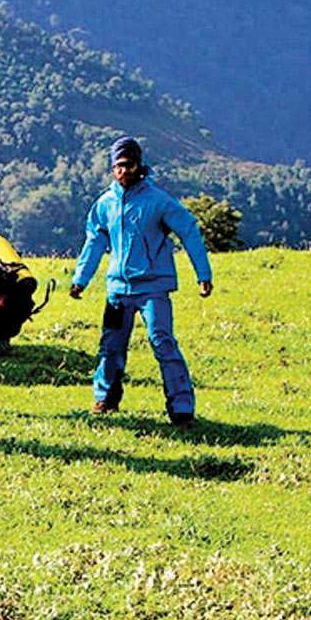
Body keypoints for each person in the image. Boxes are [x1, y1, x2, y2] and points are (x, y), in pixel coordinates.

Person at [69, 137, 213, 427]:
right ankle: (105, 398)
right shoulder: (103, 205)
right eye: (118, 166)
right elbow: (94, 242)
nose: (123, 171)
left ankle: (181, 407)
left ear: (139, 166)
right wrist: (80, 279)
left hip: (154, 288)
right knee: (110, 345)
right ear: (112, 168)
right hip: (118, 290)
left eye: (129, 165)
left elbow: (189, 231)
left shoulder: (159, 201)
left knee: (162, 342)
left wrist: (203, 275)